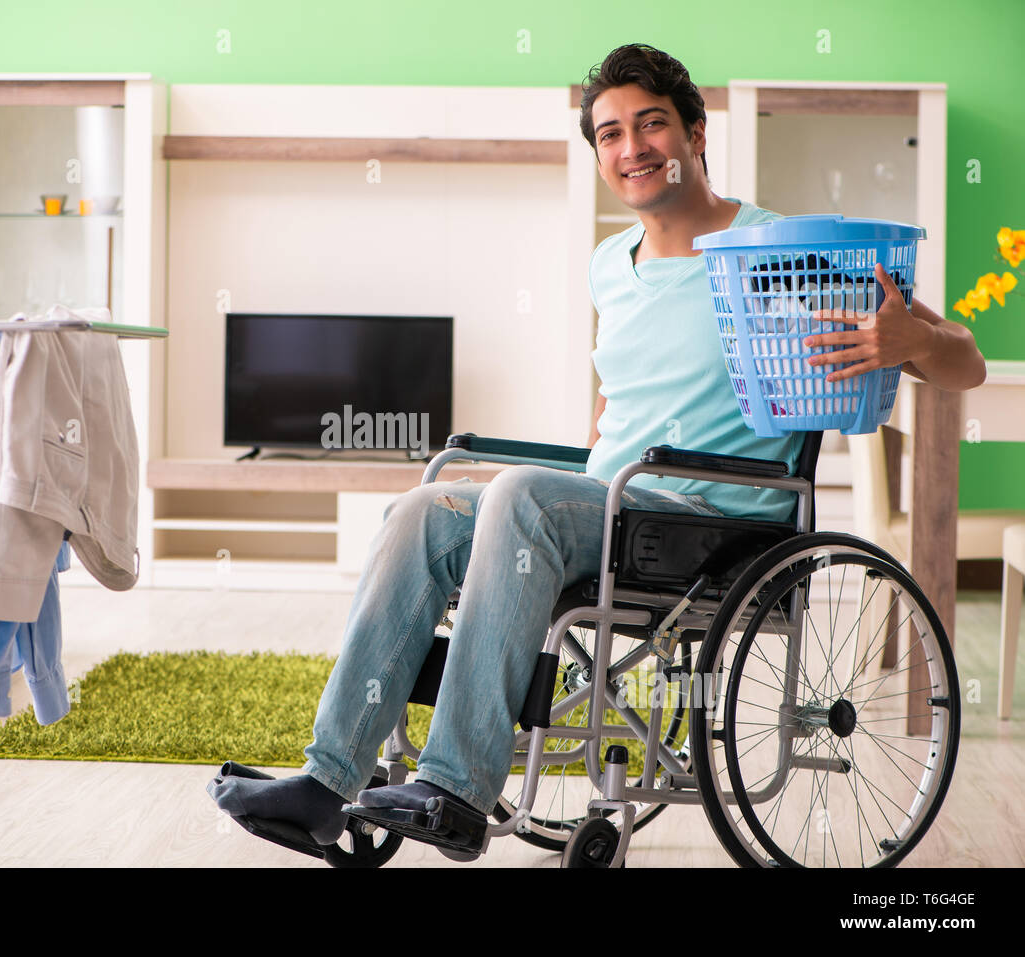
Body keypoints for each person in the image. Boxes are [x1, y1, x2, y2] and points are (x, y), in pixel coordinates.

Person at [207, 42, 987, 858]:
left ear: (695, 135)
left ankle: (455, 788)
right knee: (419, 509)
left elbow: (962, 357)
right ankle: (330, 781)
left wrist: (905, 342)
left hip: (717, 521)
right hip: (613, 508)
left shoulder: (777, 246)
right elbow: (616, 408)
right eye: (610, 134)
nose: (632, 148)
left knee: (521, 495)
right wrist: (566, 487)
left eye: (652, 125)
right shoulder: (609, 266)